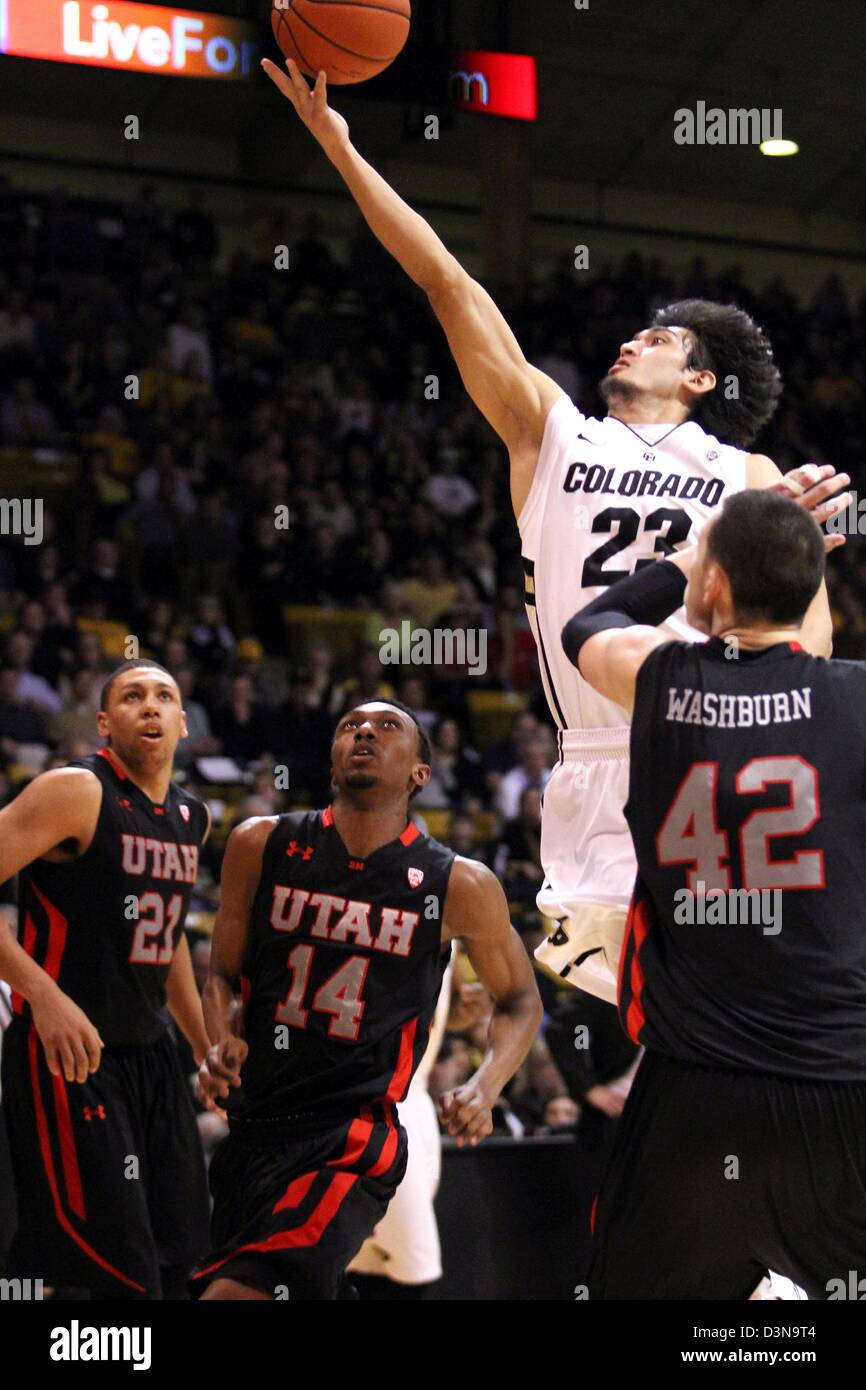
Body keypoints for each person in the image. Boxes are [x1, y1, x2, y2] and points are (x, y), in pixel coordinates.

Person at [261, 56, 839, 1002]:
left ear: (700, 381)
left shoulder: (748, 478)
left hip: (713, 745)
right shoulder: (549, 427)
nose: (630, 340)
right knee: (659, 1018)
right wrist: (343, 147)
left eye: (659, 340)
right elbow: (447, 283)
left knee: (731, 1015)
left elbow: (806, 651)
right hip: (591, 761)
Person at [560, 487, 866, 1298]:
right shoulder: (856, 699)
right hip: (837, 1073)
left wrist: (688, 554)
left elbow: (586, 626)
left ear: (717, 587)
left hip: (694, 1084)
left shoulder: (662, 679)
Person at [191, 699, 542, 1300]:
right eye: (350, 725)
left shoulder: (458, 883)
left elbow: (519, 1000)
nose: (364, 733)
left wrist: (487, 1086)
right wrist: (220, 1036)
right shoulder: (261, 845)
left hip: (351, 1134)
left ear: (419, 776)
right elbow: (222, 974)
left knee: (241, 1293)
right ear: (331, 762)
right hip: (254, 1127)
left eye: (387, 727)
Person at [0, 659, 212, 1299]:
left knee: (184, 1256)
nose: (150, 706)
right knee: (118, 1270)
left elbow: (168, 937)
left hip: (152, 1059)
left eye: (164, 696)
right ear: (103, 722)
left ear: (182, 724)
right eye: (132, 697)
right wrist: (40, 994)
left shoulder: (191, 817)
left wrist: (204, 1049)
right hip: (67, 1057)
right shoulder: (76, 790)